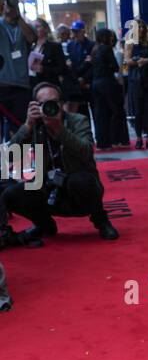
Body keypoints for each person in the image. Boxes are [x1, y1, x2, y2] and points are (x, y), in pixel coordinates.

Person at [1, 81, 119, 241]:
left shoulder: (78, 121)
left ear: (61, 103)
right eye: (43, 104)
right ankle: (44, 225)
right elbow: (10, 157)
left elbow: (86, 153)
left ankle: (101, 221)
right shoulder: (35, 126)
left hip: (77, 186)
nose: (49, 107)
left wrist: (59, 130)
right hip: (48, 188)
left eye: (53, 102)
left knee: (81, 180)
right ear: (35, 106)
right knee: (10, 194)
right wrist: (27, 125)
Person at [0, 0, 37, 143]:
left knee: (23, 125)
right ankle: (4, 162)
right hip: (1, 83)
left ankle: (21, 162)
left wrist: (18, 16)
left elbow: (31, 38)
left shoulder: (24, 26)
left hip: (20, 85)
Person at [123, 18, 148, 149]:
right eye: (138, 27)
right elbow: (126, 61)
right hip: (136, 80)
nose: (141, 29)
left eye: (142, 27)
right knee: (138, 111)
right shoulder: (130, 43)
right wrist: (138, 60)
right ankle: (139, 138)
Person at [88, 28, 123, 150]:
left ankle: (102, 142)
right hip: (107, 83)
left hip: (95, 83)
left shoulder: (94, 49)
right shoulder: (106, 49)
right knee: (114, 111)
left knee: (100, 113)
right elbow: (115, 67)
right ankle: (114, 139)